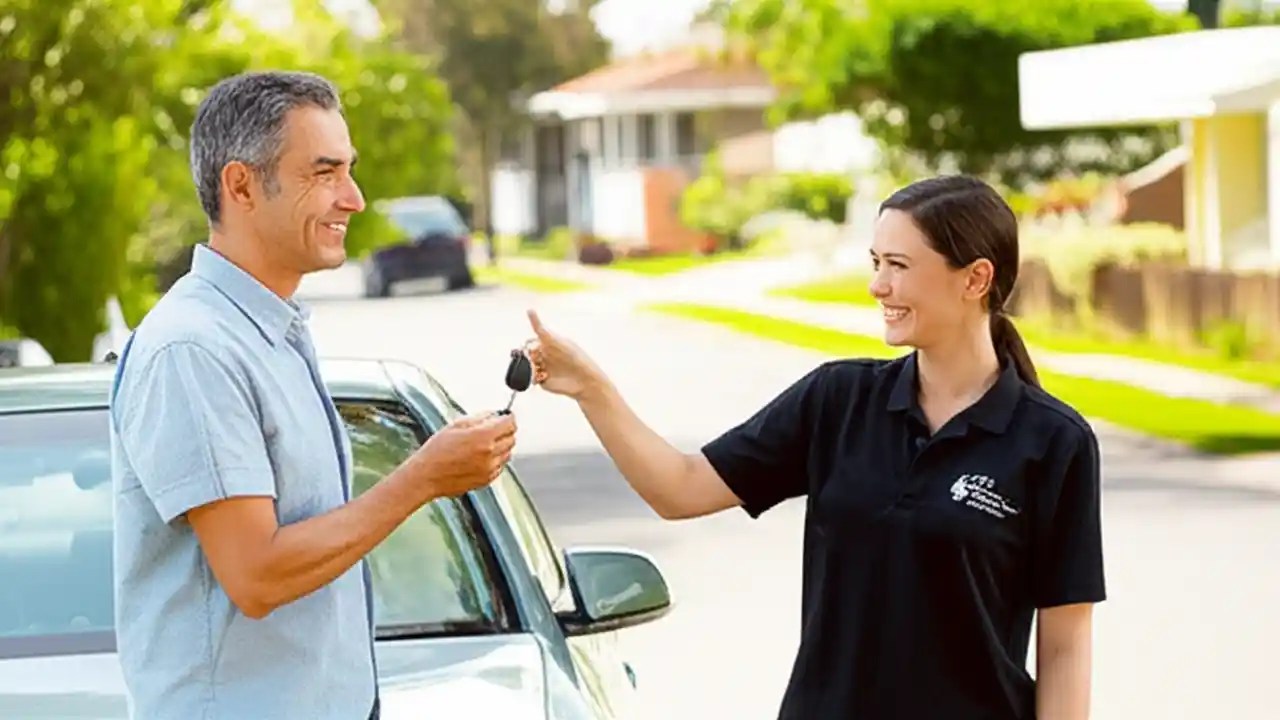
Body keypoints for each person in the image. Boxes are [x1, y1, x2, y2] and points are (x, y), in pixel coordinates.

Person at [523, 174, 1105, 719]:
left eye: (898, 265)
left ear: (975, 279)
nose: (879, 285)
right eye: (876, 263)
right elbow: (679, 487)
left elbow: (1064, 649)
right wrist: (593, 391)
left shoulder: (1053, 443)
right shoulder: (837, 401)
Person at [108, 70, 517, 720]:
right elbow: (258, 574)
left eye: (348, 171)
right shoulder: (193, 350)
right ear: (240, 185)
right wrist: (422, 479)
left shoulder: (273, 331)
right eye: (323, 173)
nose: (353, 198)